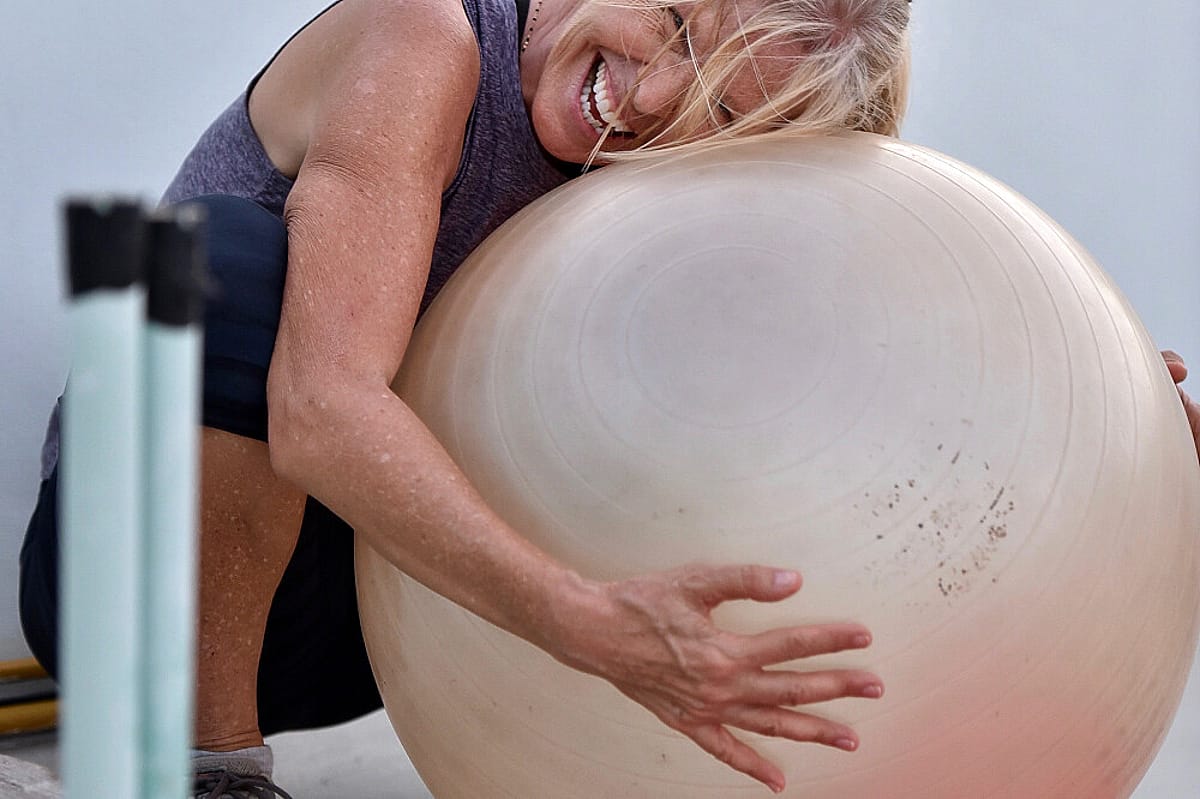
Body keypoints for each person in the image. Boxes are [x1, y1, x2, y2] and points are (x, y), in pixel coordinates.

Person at [16, 0, 1198, 796]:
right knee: (223, 263)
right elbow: (321, 409)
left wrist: (1095, 426)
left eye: (727, 110)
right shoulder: (425, 39)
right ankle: (207, 765)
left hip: (376, 629)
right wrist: (590, 623)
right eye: (678, 20)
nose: (653, 95)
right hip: (132, 589)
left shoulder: (652, 195)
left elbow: (871, 340)